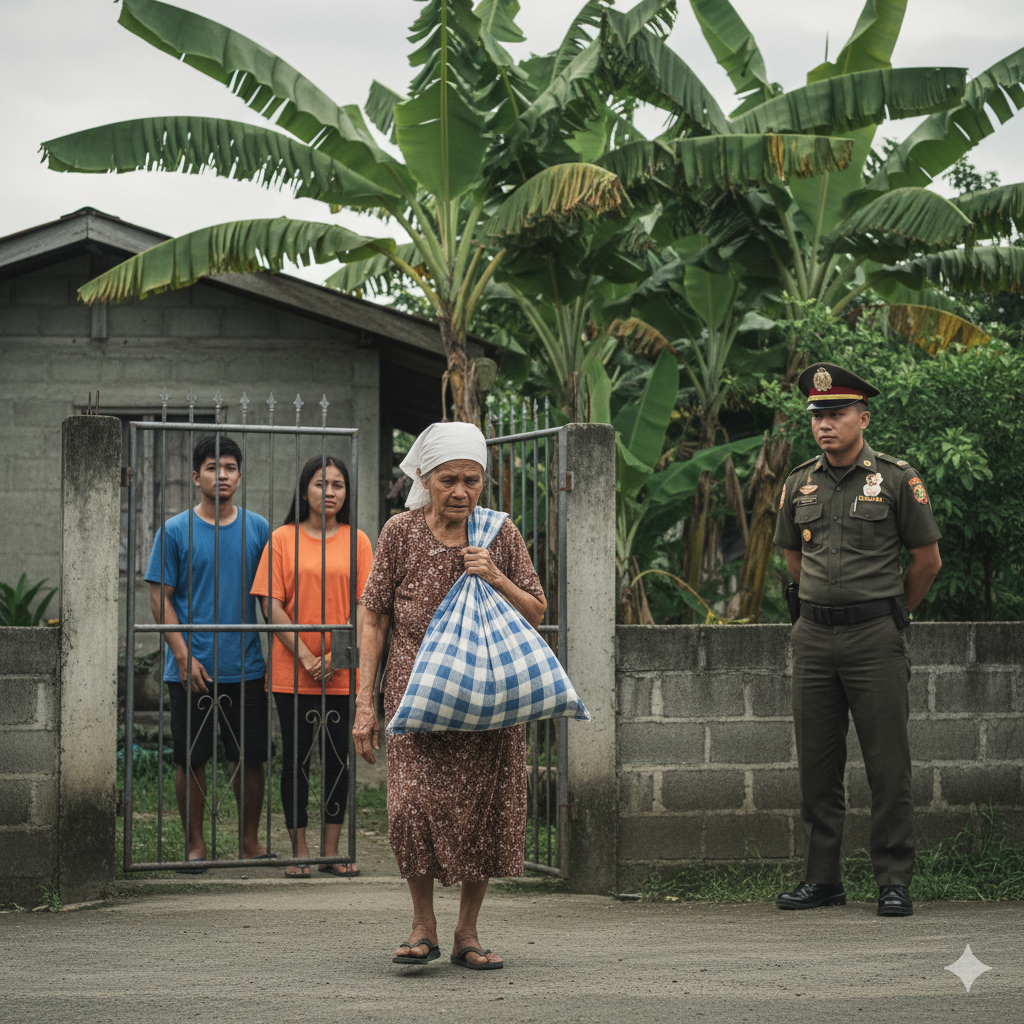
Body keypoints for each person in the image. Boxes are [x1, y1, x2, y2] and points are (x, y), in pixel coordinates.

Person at [353, 422, 546, 970]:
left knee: (483, 809)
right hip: (416, 695)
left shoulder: (498, 533)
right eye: (449, 479)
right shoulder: (400, 532)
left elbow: (536, 610)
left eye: (472, 480)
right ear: (425, 477)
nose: (461, 492)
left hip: (490, 700)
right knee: (410, 806)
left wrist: (496, 578)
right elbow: (374, 613)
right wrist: (365, 701)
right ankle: (422, 924)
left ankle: (467, 932)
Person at [773, 363, 942, 917]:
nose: (825, 424)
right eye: (818, 415)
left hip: (876, 637)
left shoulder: (897, 479)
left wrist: (890, 614)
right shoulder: (798, 482)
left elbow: (926, 560)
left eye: (837, 413)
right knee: (817, 767)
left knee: (888, 766)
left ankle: (893, 880)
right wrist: (820, 607)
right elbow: (794, 558)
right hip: (815, 637)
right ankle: (823, 880)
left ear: (862, 418)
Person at [146, 434, 271, 871]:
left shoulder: (258, 527)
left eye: (231, 467)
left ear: (239, 475)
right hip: (190, 666)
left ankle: (250, 842)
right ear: (196, 475)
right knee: (191, 756)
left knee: (250, 755)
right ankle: (195, 845)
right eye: (214, 467)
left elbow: (270, 596)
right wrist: (182, 655)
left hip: (246, 664)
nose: (223, 475)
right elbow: (159, 599)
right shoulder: (175, 530)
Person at [251, 455, 372, 878]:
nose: (331, 492)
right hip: (291, 671)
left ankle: (332, 851)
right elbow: (270, 602)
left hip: (342, 670)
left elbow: (364, 607)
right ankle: (299, 848)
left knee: (338, 757)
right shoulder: (282, 538)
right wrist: (305, 656)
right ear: (305, 490)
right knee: (296, 759)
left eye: (338, 485)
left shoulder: (357, 541)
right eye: (322, 484)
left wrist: (336, 657)